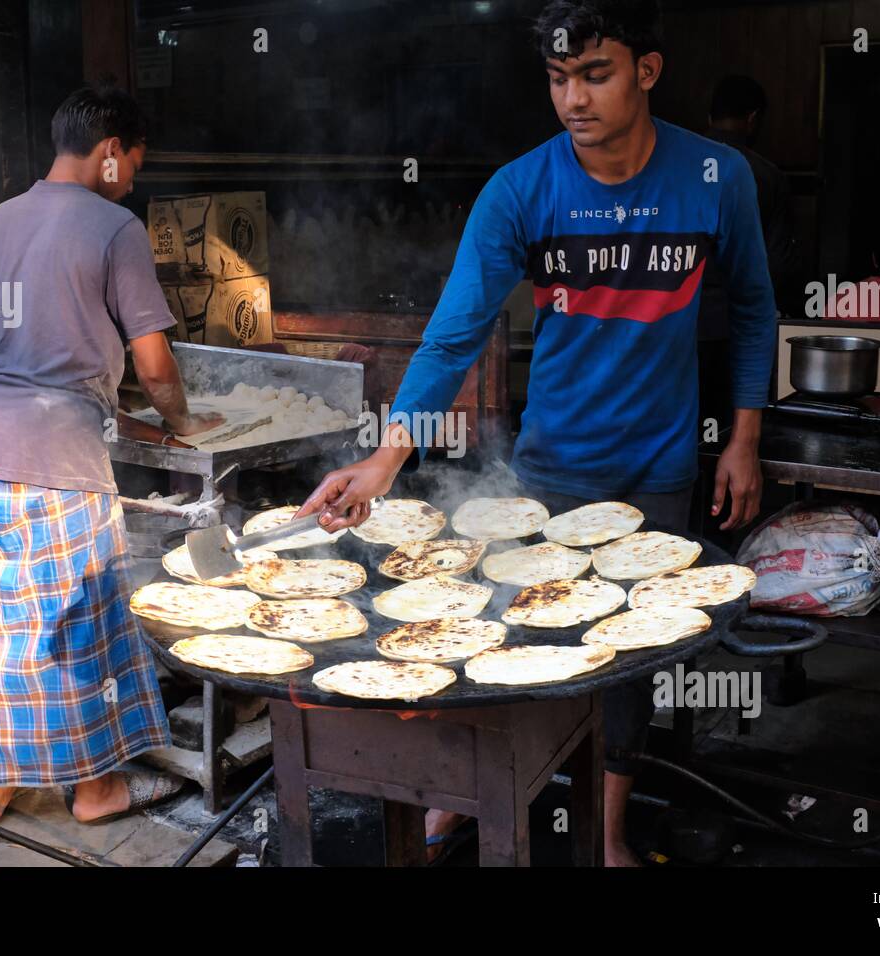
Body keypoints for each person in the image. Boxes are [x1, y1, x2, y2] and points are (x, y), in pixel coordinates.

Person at [296, 0, 776, 865]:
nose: (574, 100)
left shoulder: (717, 177)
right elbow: (453, 334)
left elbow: (752, 310)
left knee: (630, 657)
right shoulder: (521, 189)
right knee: (511, 634)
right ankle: (468, 798)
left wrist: (742, 438)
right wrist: (386, 459)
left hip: (659, 465)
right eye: (559, 79)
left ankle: (607, 831)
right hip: (548, 464)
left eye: (596, 74)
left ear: (648, 71)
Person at [0, 84, 221, 823]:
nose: (132, 179)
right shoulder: (114, 227)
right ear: (109, 153)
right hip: (60, 464)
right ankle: (96, 790)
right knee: (79, 627)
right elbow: (157, 366)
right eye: (133, 163)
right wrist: (180, 421)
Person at [698, 74, 796, 430]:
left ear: (710, 117)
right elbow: (778, 267)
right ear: (753, 118)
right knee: (733, 434)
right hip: (737, 333)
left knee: (684, 436)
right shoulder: (767, 177)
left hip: (674, 332)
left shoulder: (675, 170)